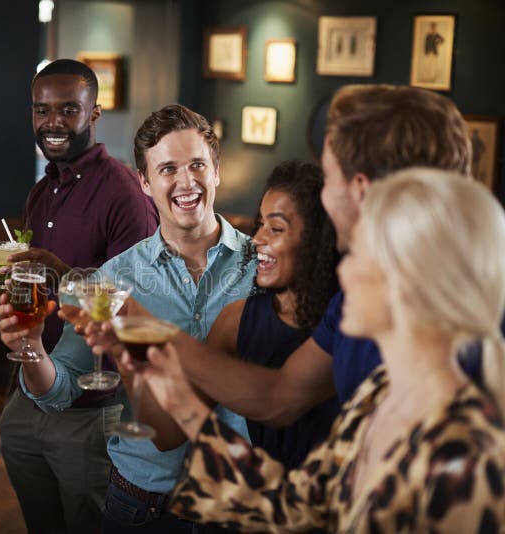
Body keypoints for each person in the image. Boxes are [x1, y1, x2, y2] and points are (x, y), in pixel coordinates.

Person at [143, 169, 505, 532]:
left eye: (358, 255)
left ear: (409, 286)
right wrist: (173, 391)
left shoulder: (470, 451)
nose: (342, 271)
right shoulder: (378, 394)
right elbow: (293, 504)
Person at [161, 84, 479, 434]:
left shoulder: (457, 324)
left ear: (361, 189)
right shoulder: (358, 297)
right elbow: (280, 397)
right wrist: (165, 342)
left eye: (328, 177)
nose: (322, 198)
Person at [0, 104, 256, 532]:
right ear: (145, 182)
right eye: (168, 169)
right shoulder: (115, 275)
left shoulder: (259, 265)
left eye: (197, 165)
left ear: (216, 171)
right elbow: (59, 389)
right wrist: (31, 347)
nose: (186, 182)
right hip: (142, 506)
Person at [0, 59, 158, 532]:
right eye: (41, 110)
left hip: (93, 407)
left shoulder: (124, 194)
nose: (53, 122)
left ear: (94, 114)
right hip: (33, 388)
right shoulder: (43, 190)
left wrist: (62, 273)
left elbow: (136, 306)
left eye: (68, 110)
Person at [202, 160, 340, 469]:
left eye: (275, 228)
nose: (258, 238)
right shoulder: (236, 322)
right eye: (260, 224)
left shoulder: (348, 323)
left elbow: (278, 401)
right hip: (266, 503)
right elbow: (174, 427)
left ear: (318, 241)